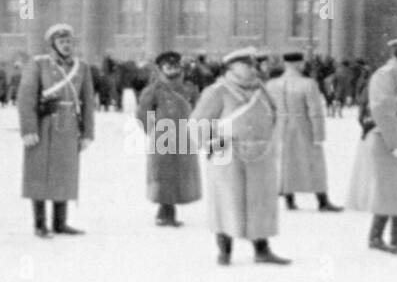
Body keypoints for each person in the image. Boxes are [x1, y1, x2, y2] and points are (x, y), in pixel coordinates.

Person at [189, 47, 290, 265]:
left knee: (260, 204)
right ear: (232, 67)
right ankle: (224, 252)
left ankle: (262, 250)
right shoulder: (217, 91)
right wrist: (212, 144)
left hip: (260, 156)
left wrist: (272, 142)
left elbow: (277, 116)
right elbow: (197, 124)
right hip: (228, 155)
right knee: (227, 203)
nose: (253, 69)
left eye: (255, 65)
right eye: (247, 65)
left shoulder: (263, 90)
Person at [346, 36, 397, 254]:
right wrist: (395, 142)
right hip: (385, 141)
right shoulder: (384, 76)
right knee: (386, 189)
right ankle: (375, 237)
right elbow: (382, 110)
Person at [17, 23, 95, 237]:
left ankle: (60, 223)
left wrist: (87, 133)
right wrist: (28, 129)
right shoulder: (38, 64)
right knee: (39, 174)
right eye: (61, 42)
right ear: (52, 44)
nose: (66, 45)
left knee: (64, 173)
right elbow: (26, 98)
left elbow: (88, 102)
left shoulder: (82, 67)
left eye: (69, 41)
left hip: (69, 127)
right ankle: (40, 224)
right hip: (44, 126)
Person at [266, 51, 341, 212]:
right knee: (314, 163)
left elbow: (267, 110)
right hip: (302, 125)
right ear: (299, 64)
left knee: (286, 163)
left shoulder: (272, 84)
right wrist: (319, 133)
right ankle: (322, 200)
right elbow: (315, 110)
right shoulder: (308, 84)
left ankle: (289, 199)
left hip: (280, 127)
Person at [136, 51, 202, 227]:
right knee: (163, 172)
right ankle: (165, 212)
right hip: (163, 135)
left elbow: (199, 110)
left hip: (184, 135)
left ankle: (169, 210)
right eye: (168, 66)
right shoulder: (153, 90)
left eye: (175, 66)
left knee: (180, 172)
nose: (172, 69)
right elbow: (143, 113)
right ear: (161, 69)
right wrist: (154, 131)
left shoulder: (189, 88)